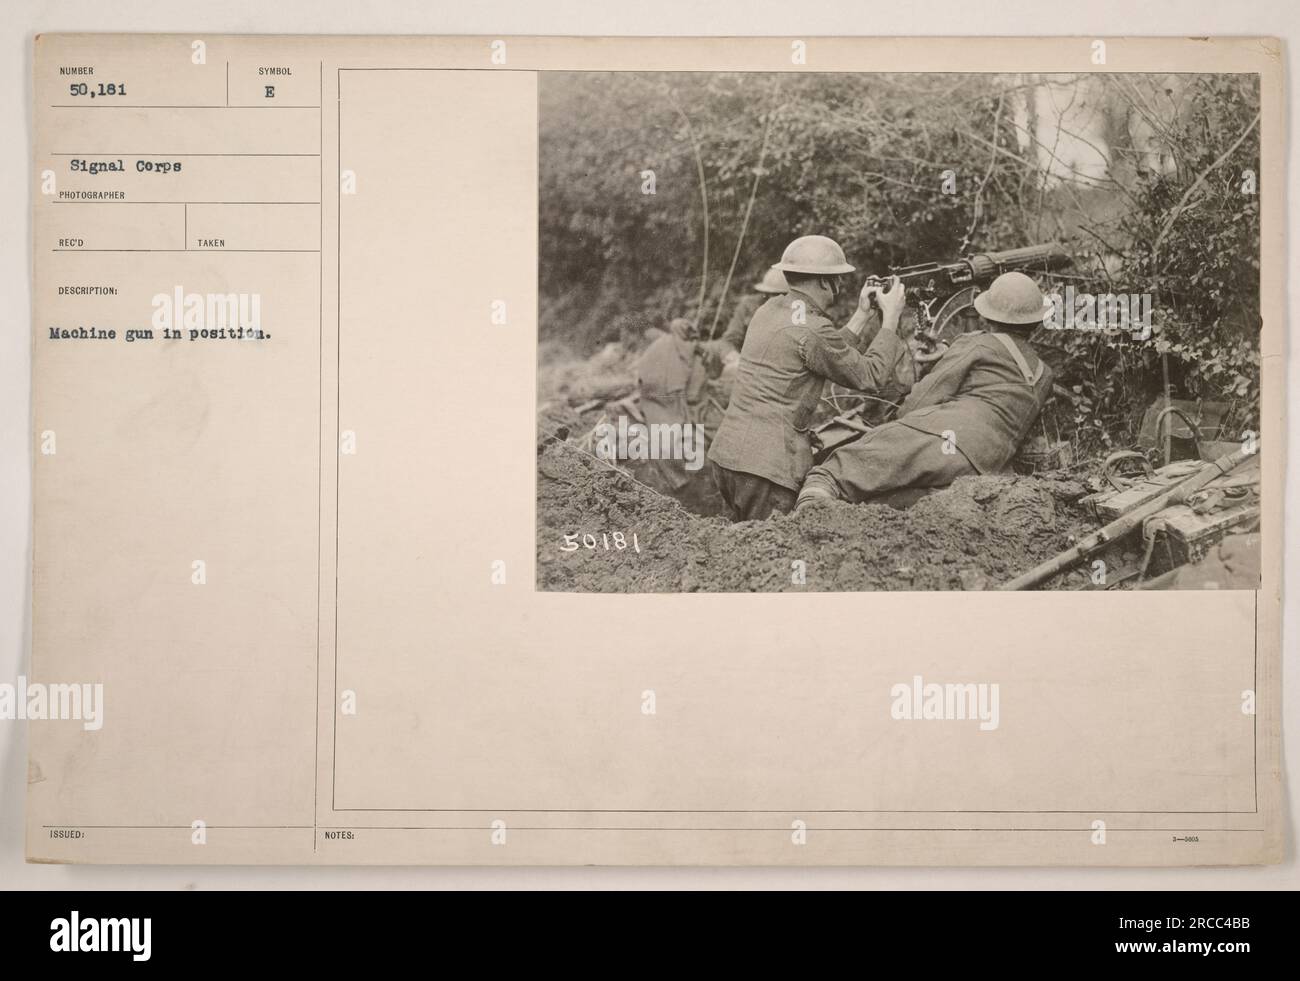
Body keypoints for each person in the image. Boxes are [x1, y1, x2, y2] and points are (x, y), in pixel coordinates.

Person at [796, 271, 1055, 508]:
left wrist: (897, 425)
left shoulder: (977, 343)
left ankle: (811, 508)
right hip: (986, 466)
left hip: (944, 438)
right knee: (897, 501)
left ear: (987, 315)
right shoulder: (1044, 373)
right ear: (1035, 321)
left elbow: (919, 402)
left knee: (835, 470)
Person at [707, 234, 912, 521]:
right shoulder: (814, 329)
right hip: (768, 471)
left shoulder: (768, 311)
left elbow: (823, 350)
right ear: (823, 282)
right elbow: (870, 376)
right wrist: (890, 320)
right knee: (773, 556)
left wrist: (862, 316)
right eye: (837, 279)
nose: (839, 288)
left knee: (743, 548)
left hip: (729, 459)